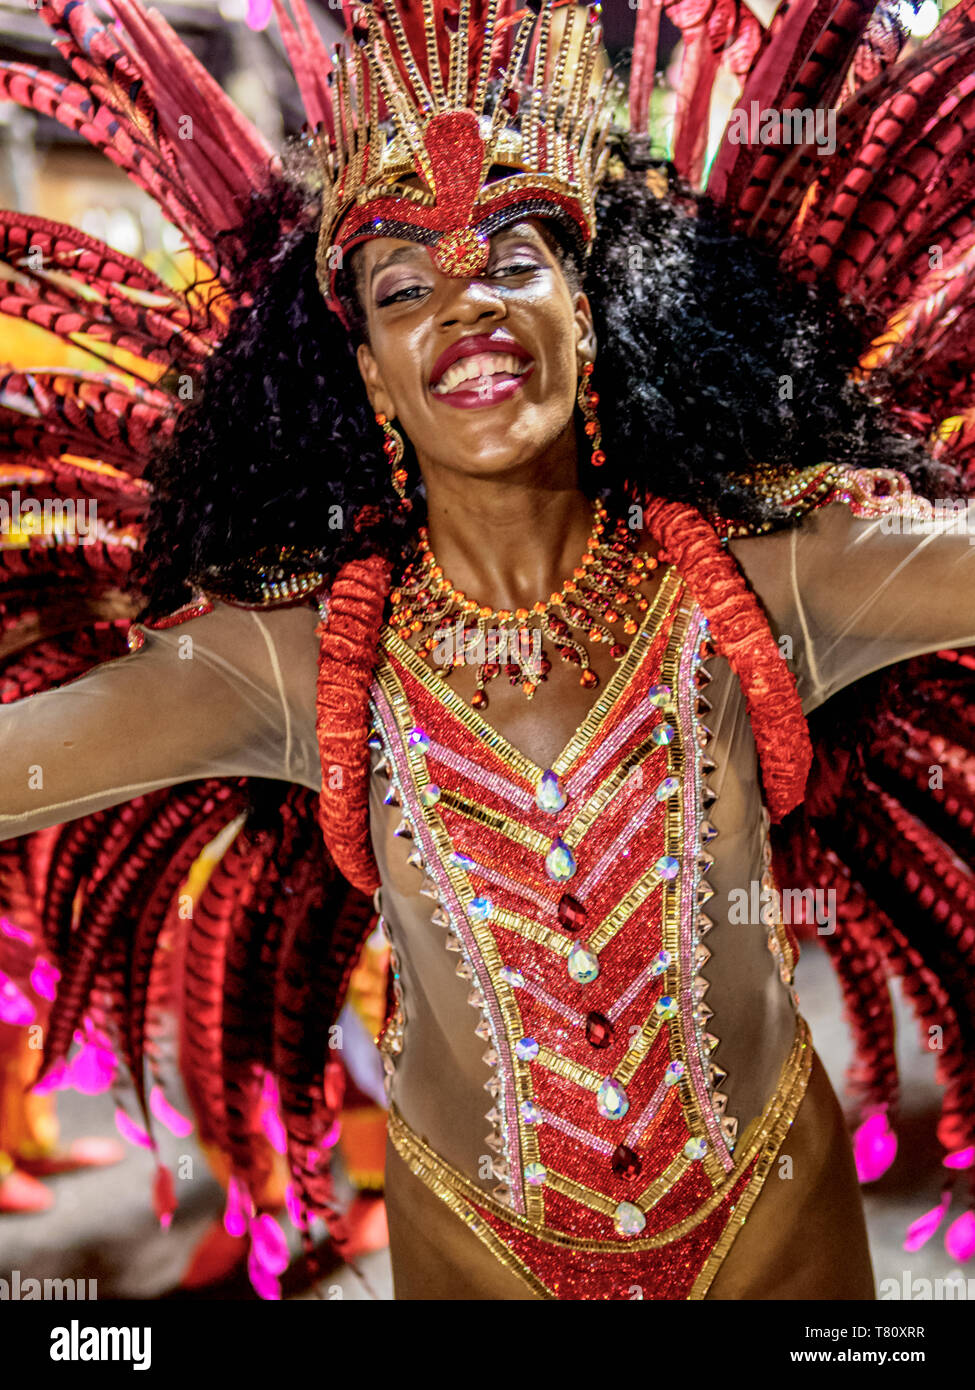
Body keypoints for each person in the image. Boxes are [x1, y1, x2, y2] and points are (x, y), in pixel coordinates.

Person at [1, 0, 974, 1299]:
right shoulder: (296, 663)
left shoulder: (764, 576)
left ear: (593, 305)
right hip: (477, 1249)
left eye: (516, 259)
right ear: (369, 372)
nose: (469, 307)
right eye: (405, 287)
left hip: (772, 1226)